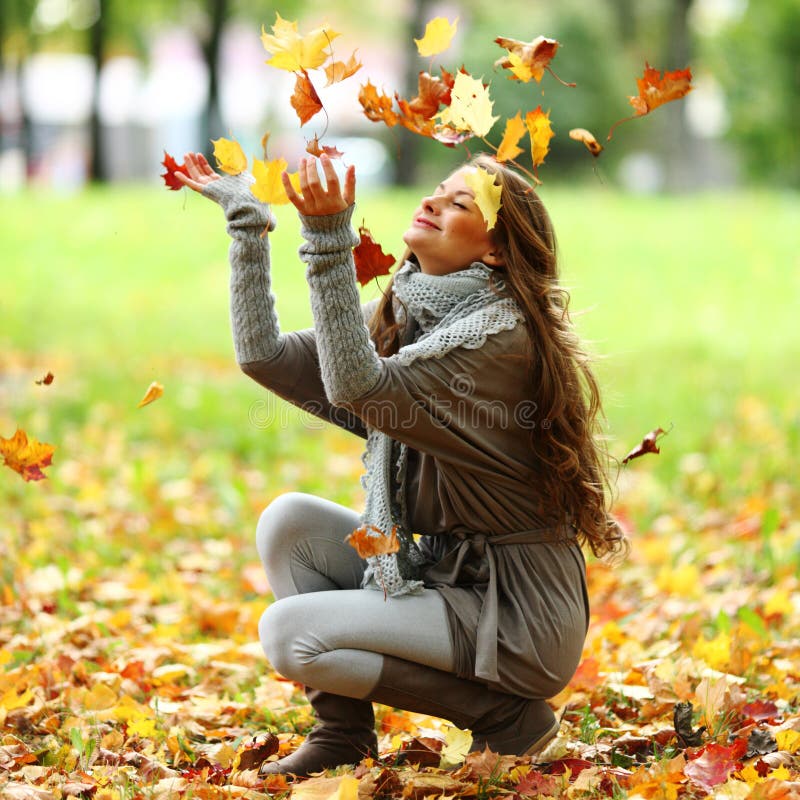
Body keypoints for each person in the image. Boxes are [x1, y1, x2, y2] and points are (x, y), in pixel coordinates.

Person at [176, 151, 625, 777]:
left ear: (496, 252)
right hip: (445, 574)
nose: (434, 201)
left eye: (461, 203)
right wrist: (247, 225)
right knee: (289, 525)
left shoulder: (497, 340)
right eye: (438, 190)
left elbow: (356, 384)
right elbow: (267, 357)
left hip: (516, 610)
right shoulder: (413, 314)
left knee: (291, 635)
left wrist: (329, 241)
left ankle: (507, 720)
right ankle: (342, 734)